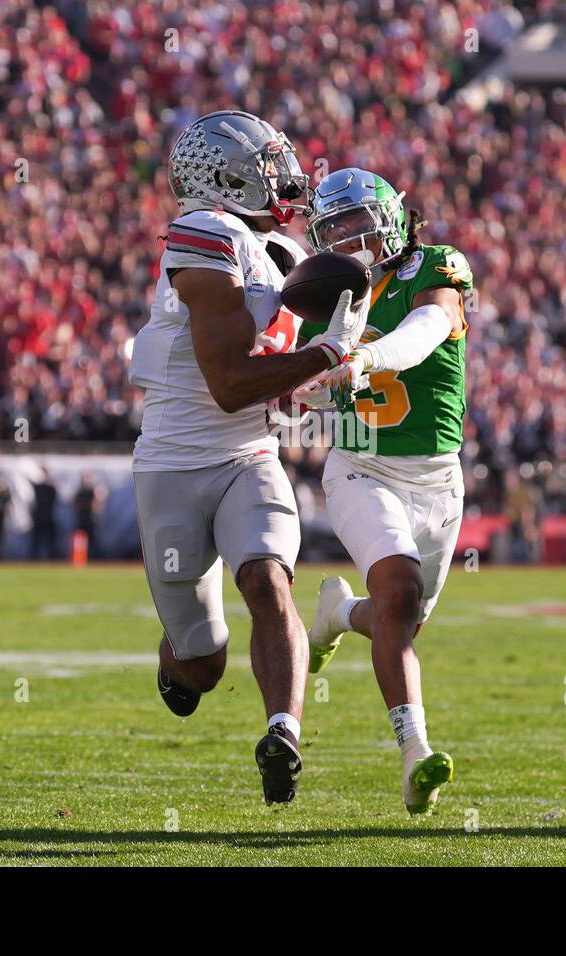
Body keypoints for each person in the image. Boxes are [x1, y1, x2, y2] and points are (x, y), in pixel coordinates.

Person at [127, 110, 367, 804]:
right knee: (202, 662)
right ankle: (179, 663)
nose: (284, 176)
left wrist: (325, 382)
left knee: (269, 583)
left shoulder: (288, 257)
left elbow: (278, 393)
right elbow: (230, 385)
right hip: (174, 463)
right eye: (265, 167)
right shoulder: (205, 236)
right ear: (223, 178)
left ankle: (282, 732)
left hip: (247, 456)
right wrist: (321, 354)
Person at [295, 167, 468, 813]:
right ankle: (415, 752)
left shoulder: (438, 265)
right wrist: (308, 385)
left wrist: (363, 359)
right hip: (362, 468)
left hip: (437, 478)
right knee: (398, 590)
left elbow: (425, 333)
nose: (348, 239)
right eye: (333, 229)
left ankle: (338, 615)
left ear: (392, 216)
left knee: (401, 618)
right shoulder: (331, 296)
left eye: (357, 222)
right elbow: (305, 388)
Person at [29, 467, 59, 560]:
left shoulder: (50, 488)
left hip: (48, 517)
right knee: (36, 541)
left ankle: (52, 559)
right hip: (39, 517)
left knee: (51, 541)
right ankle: (34, 559)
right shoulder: (38, 487)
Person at [73, 472, 105, 558]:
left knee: (93, 540)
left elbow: (98, 504)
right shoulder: (80, 491)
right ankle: (81, 557)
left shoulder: (93, 491)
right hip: (82, 519)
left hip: (90, 519)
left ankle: (95, 557)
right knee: (81, 540)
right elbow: (75, 504)